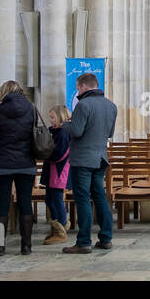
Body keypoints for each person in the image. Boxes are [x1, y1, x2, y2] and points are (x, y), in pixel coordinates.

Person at [0, 79, 37, 256]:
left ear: (3, 92)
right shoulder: (31, 108)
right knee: (25, 203)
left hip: (2, 163)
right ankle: (26, 247)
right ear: (20, 91)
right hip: (26, 162)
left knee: (1, 205)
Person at [63, 72, 117, 254]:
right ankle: (106, 238)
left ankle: (84, 241)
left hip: (83, 158)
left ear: (84, 86)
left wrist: (65, 124)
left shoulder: (83, 104)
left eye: (78, 88)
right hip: (101, 157)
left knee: (83, 199)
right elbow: (109, 132)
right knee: (100, 197)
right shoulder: (111, 106)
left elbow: (76, 131)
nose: (77, 91)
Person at [41, 104, 72, 245]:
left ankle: (61, 228)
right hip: (51, 169)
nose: (51, 120)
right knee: (49, 198)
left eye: (53, 117)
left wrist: (45, 155)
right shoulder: (53, 131)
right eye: (50, 117)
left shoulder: (64, 133)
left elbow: (60, 153)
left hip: (59, 169)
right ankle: (56, 227)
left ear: (61, 117)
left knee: (57, 198)